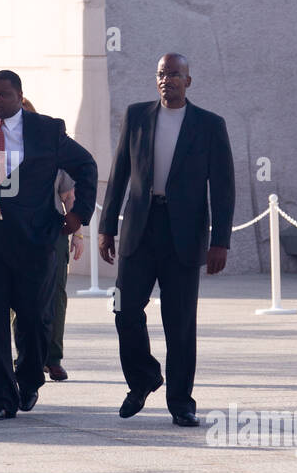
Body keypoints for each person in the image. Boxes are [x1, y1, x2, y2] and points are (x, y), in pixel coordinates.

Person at [0, 71, 97, 420]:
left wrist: (79, 215)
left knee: (33, 317)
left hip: (33, 239)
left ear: (19, 96)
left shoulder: (46, 130)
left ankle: (28, 381)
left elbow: (86, 165)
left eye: (3, 95)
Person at [99, 53, 235, 427]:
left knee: (180, 323)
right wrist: (106, 226)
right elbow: (119, 174)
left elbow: (223, 188)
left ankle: (181, 402)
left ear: (188, 81)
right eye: (161, 74)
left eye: (174, 74)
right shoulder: (137, 116)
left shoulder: (209, 125)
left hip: (185, 236)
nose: (167, 80)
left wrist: (220, 241)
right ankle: (143, 379)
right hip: (138, 232)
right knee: (123, 310)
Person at [9, 98, 84, 382]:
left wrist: (77, 234)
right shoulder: (1, 152)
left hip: (51, 234)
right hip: (13, 234)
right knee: (17, 299)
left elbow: (69, 196)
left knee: (55, 296)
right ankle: (25, 357)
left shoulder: (52, 151)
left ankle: (53, 357)